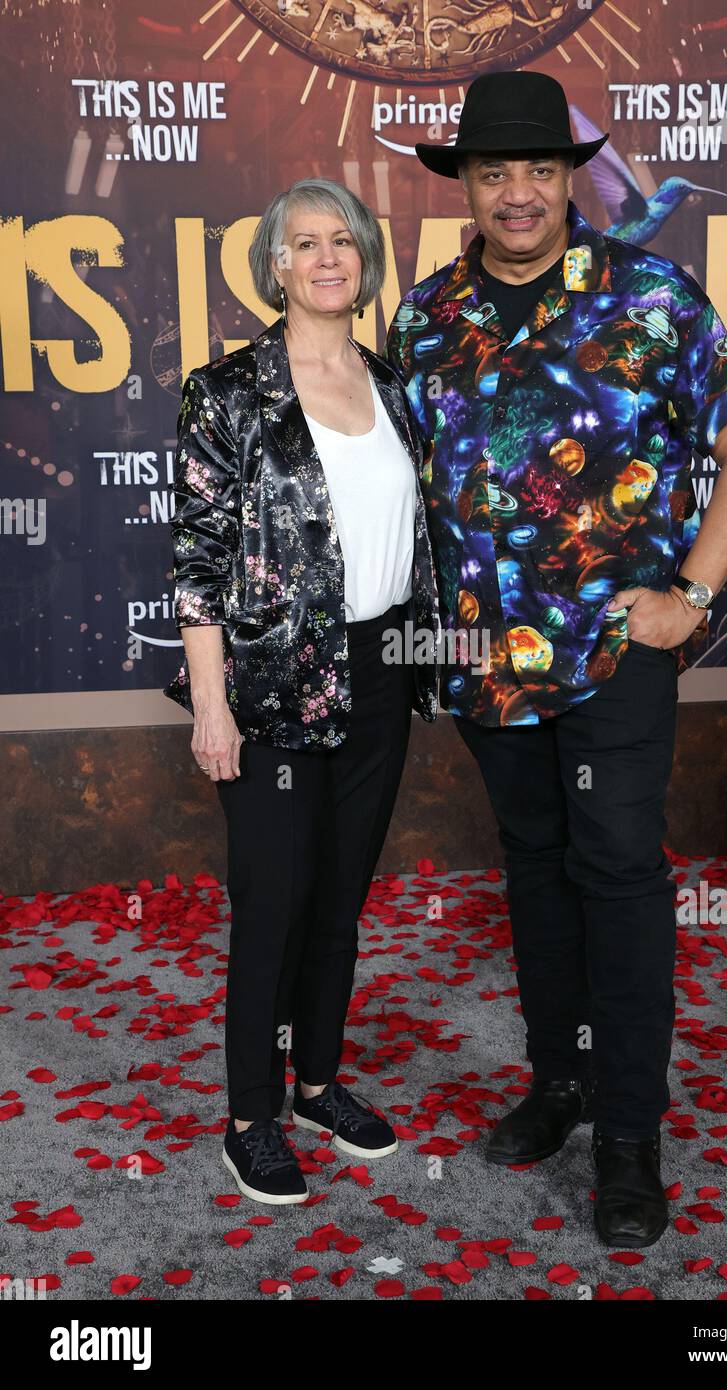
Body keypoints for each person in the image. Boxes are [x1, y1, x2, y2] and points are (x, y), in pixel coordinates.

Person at [385, 71, 727, 1247]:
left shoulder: (651, 296)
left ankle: (628, 1138)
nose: (517, 193)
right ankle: (559, 1080)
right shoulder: (424, 315)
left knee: (616, 875)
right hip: (482, 659)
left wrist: (691, 597)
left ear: (571, 178)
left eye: (538, 169)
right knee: (535, 870)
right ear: (464, 184)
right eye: (493, 172)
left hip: (616, 654)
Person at [164, 178, 440, 1205]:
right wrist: (212, 705)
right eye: (305, 244)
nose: (328, 258)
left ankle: (318, 1082)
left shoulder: (394, 385)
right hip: (271, 677)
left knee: (341, 894)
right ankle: (251, 1118)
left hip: (381, 669)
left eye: (344, 242)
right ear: (275, 266)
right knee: (273, 902)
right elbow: (197, 564)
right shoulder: (228, 391)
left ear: (365, 261)